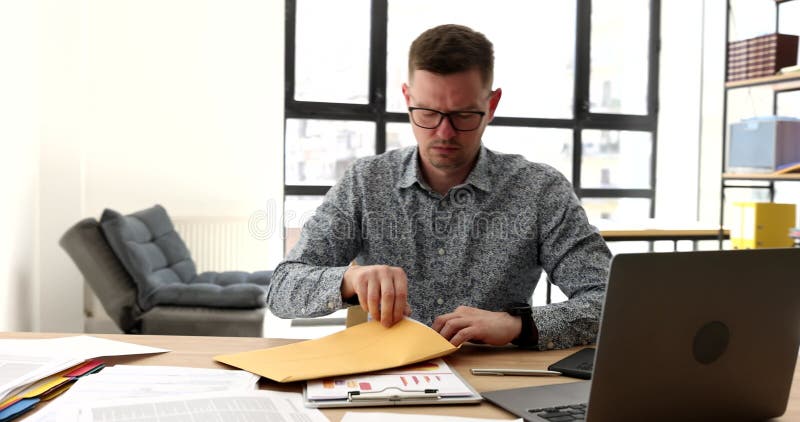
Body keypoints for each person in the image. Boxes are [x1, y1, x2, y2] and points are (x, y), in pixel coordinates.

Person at [267, 24, 611, 350]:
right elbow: (282, 290)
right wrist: (349, 280)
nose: (444, 133)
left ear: (491, 106)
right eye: (428, 113)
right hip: (389, 378)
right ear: (407, 97)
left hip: (495, 378)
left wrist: (518, 326)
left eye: (463, 115)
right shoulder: (365, 182)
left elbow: (610, 300)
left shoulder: (540, 190)